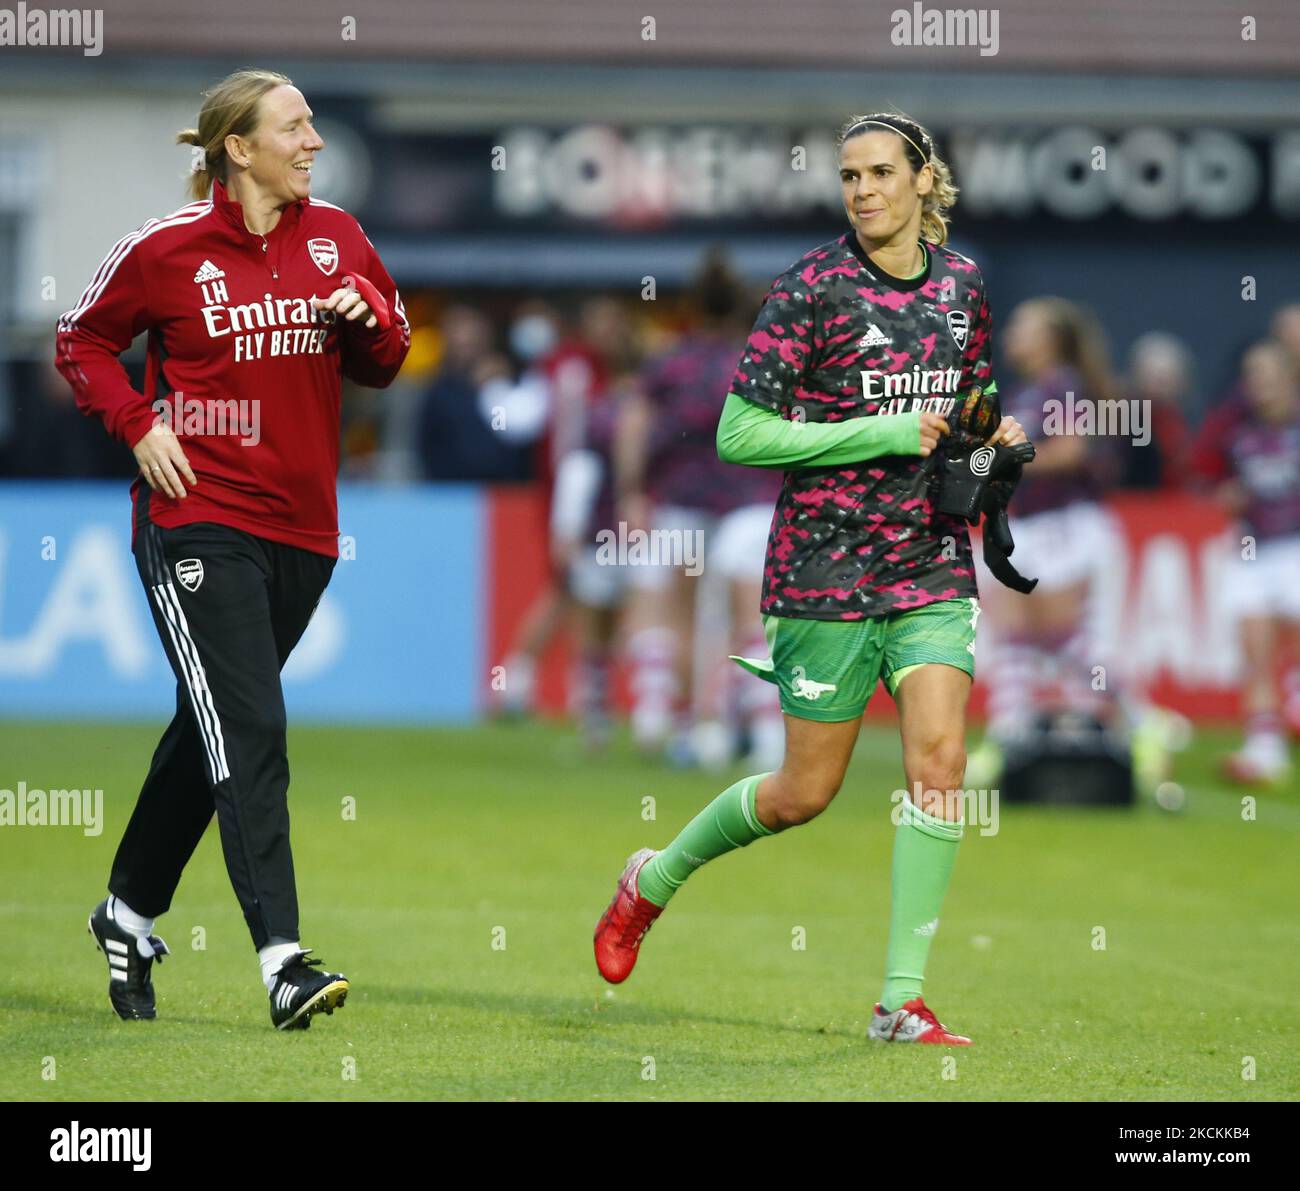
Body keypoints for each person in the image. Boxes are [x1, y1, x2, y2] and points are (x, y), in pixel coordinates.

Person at [592, 112, 1031, 1045]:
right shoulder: (811, 290)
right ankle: (652, 879)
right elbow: (740, 432)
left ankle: (899, 1001)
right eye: (849, 176)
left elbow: (974, 401)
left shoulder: (963, 287)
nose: (864, 190)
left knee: (940, 762)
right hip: (823, 566)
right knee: (801, 792)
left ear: (923, 181)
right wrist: (875, 430)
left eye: (881, 173)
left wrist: (997, 438)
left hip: (930, 562)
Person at [55, 69, 411, 1029]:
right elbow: (79, 340)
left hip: (304, 531)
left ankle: (126, 911)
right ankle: (283, 960)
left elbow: (389, 356)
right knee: (250, 724)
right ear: (238, 147)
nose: (314, 143)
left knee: (211, 725)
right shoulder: (166, 250)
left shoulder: (340, 237)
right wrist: (136, 422)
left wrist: (368, 318)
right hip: (194, 519)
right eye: (295, 128)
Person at [616, 249, 784, 769]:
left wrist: (631, 490)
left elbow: (633, 425)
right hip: (750, 501)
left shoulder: (672, 360)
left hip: (684, 500)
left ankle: (686, 725)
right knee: (750, 616)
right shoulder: (760, 360)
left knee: (680, 617)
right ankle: (765, 734)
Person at [1191, 340, 1300, 783]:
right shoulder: (1235, 430)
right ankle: (1265, 748)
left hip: (1295, 546)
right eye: (1252, 375)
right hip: (1253, 550)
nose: (1259, 383)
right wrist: (1225, 495)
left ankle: (1290, 703)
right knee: (1256, 650)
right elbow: (1203, 474)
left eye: (1268, 373)